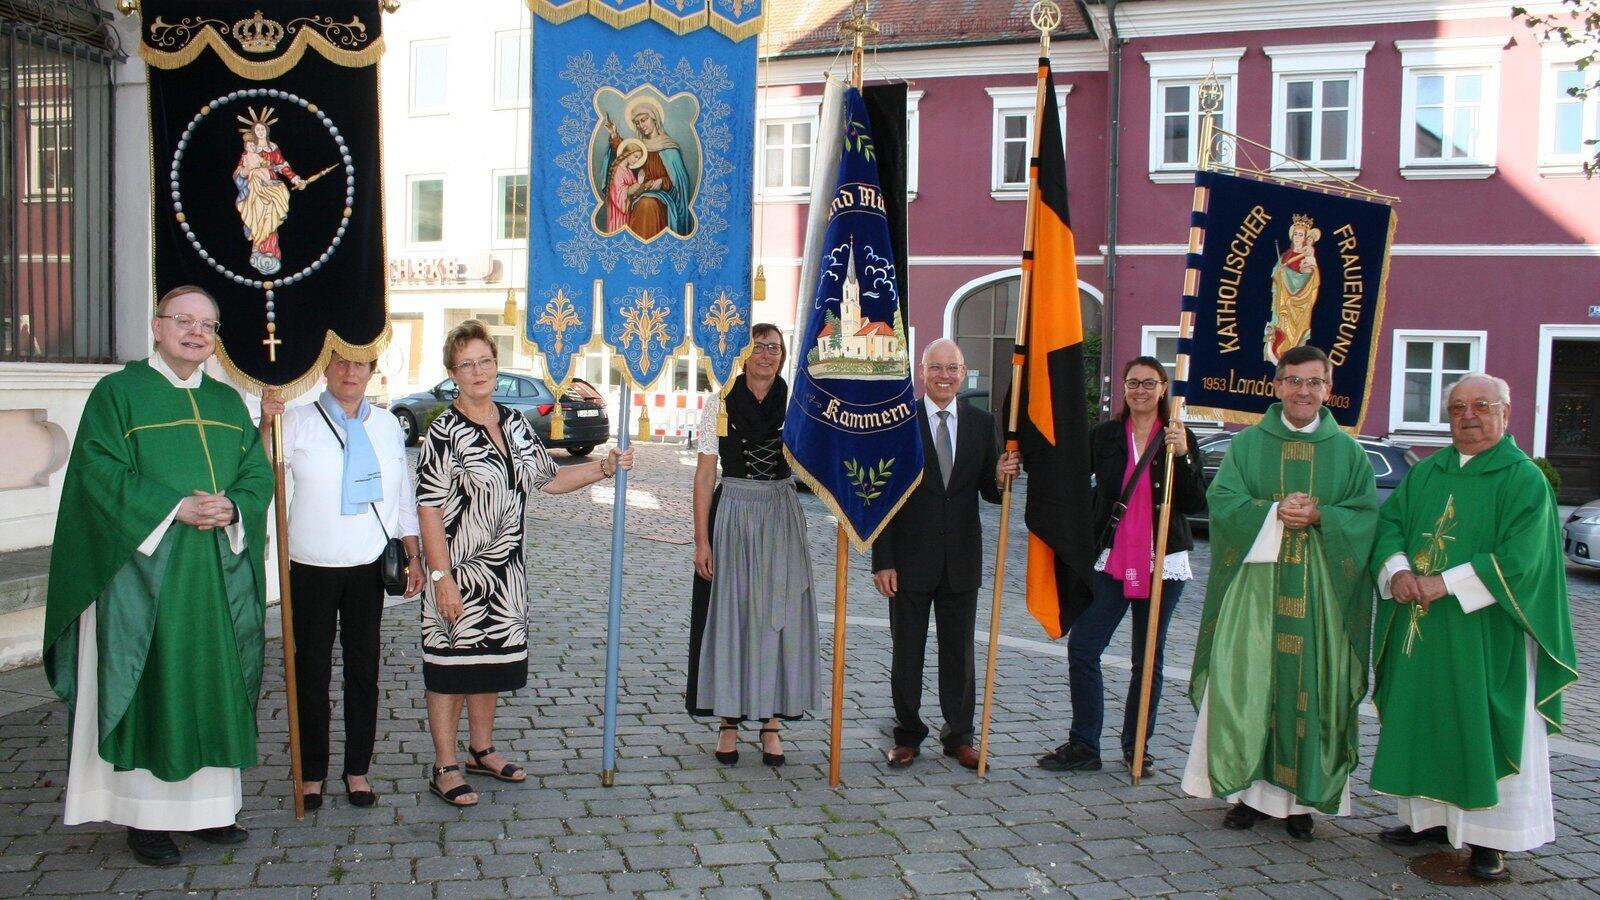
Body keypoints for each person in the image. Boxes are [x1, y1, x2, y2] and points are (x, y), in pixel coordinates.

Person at [41, 285, 274, 866]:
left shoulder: (226, 403)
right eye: (184, 321)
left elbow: (255, 471)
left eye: (208, 325)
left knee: (209, 682)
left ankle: (210, 811)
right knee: (156, 683)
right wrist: (174, 507)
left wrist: (236, 505)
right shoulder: (118, 393)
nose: (197, 333)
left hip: (215, 573)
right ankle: (143, 819)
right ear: (157, 326)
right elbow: (96, 472)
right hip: (142, 578)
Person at [1368, 374, 1577, 880]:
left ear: (1506, 413)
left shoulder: (1522, 478)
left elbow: (1524, 559)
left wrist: (1448, 583)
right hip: (1422, 627)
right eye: (1458, 406)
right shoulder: (1428, 470)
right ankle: (1430, 821)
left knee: (1481, 722)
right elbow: (1390, 522)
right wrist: (1397, 571)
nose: (1468, 415)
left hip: (1486, 631)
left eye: (1482, 405)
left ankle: (1490, 839)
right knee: (1425, 719)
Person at [416, 320, 632, 806]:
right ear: (453, 372)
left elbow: (549, 479)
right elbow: (428, 507)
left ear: (496, 363)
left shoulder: (513, 423)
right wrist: (440, 577)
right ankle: (445, 765)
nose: (478, 371)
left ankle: (481, 749)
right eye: (467, 364)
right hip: (458, 572)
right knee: (450, 668)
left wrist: (605, 466)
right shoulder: (443, 432)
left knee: (488, 664)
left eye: (485, 361)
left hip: (505, 573)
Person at [1181, 344, 1377, 842]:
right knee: (1248, 681)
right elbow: (1222, 502)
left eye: (1314, 382)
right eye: (1294, 380)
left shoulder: (1349, 452)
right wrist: (1273, 512)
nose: (1303, 391)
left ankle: (1300, 801)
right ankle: (1244, 795)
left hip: (1321, 599)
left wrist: (1321, 517)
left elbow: (1365, 518)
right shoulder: (1247, 446)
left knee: (1310, 688)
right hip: (1256, 590)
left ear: (1329, 390)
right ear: (1276, 385)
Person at [258, 353, 425, 811]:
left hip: (367, 565)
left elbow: (402, 495)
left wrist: (413, 554)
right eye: (341, 364)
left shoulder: (388, 425)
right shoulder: (295, 421)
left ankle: (357, 771)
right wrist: (263, 423)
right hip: (311, 565)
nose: (350, 373)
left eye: (360, 365)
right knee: (309, 673)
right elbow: (259, 469)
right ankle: (311, 774)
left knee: (363, 673)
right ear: (324, 370)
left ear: (373, 372)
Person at [1039, 356, 1204, 777]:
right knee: (1084, 647)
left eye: (1150, 383)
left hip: (1162, 559)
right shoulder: (1106, 436)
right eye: (1133, 382)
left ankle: (1136, 747)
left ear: (1164, 388)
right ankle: (1084, 744)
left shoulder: (1179, 436)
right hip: (1112, 557)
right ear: (1124, 388)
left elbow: (1193, 503)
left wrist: (1182, 457)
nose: (1141, 391)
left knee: (1147, 658)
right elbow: (1074, 482)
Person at [870, 339, 1019, 770]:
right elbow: (884, 496)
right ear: (922, 371)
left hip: (961, 562)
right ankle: (908, 734)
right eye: (936, 368)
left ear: (963, 371)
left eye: (952, 368)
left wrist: (1001, 475)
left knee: (960, 656)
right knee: (907, 653)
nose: (944, 376)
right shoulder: (900, 421)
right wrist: (884, 559)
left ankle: (959, 736)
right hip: (908, 562)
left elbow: (990, 494)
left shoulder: (981, 422)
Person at [688, 324, 818, 766]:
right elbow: (705, 474)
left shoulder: (800, 403)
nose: (766, 355)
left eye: (774, 348)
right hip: (734, 511)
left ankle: (771, 723)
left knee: (776, 615)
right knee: (733, 614)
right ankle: (728, 720)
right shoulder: (719, 402)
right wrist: (701, 539)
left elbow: (821, 459)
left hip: (780, 510)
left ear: (783, 355)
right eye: (758, 347)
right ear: (744, 354)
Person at [601, 100, 694, 239]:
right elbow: (623, 155)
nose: (640, 126)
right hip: (638, 194)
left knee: (648, 204)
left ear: (654, 118)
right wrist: (614, 135)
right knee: (644, 202)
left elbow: (680, 184)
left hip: (663, 198)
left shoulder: (669, 148)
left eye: (644, 120)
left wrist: (662, 182)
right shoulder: (639, 146)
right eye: (637, 123)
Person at [232, 110, 305, 275]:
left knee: (271, 218)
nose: (260, 132)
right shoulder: (250, 151)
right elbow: (239, 173)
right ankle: (258, 249)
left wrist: (295, 180)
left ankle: (271, 251)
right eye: (257, 130)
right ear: (253, 133)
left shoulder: (273, 148)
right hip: (255, 188)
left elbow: (283, 166)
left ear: (266, 130)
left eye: (262, 129)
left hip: (272, 186)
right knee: (259, 219)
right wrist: (249, 169)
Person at [603, 138, 649, 234]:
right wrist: (639, 183)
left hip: (626, 210)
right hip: (618, 211)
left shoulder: (628, 171)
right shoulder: (618, 171)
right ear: (628, 153)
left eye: (639, 158)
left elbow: (635, 193)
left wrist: (645, 186)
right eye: (636, 156)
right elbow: (625, 192)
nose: (637, 160)